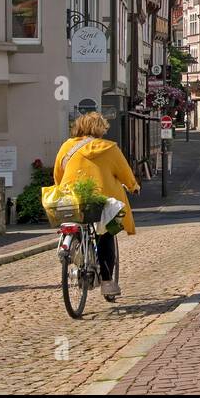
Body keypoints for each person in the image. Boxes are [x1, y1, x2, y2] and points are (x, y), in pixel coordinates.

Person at [54, 112, 140, 298]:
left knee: (78, 223)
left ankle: (75, 251)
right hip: (100, 201)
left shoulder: (67, 146)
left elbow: (58, 174)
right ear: (101, 128)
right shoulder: (109, 148)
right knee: (106, 233)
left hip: (72, 199)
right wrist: (134, 186)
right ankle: (107, 282)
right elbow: (125, 173)